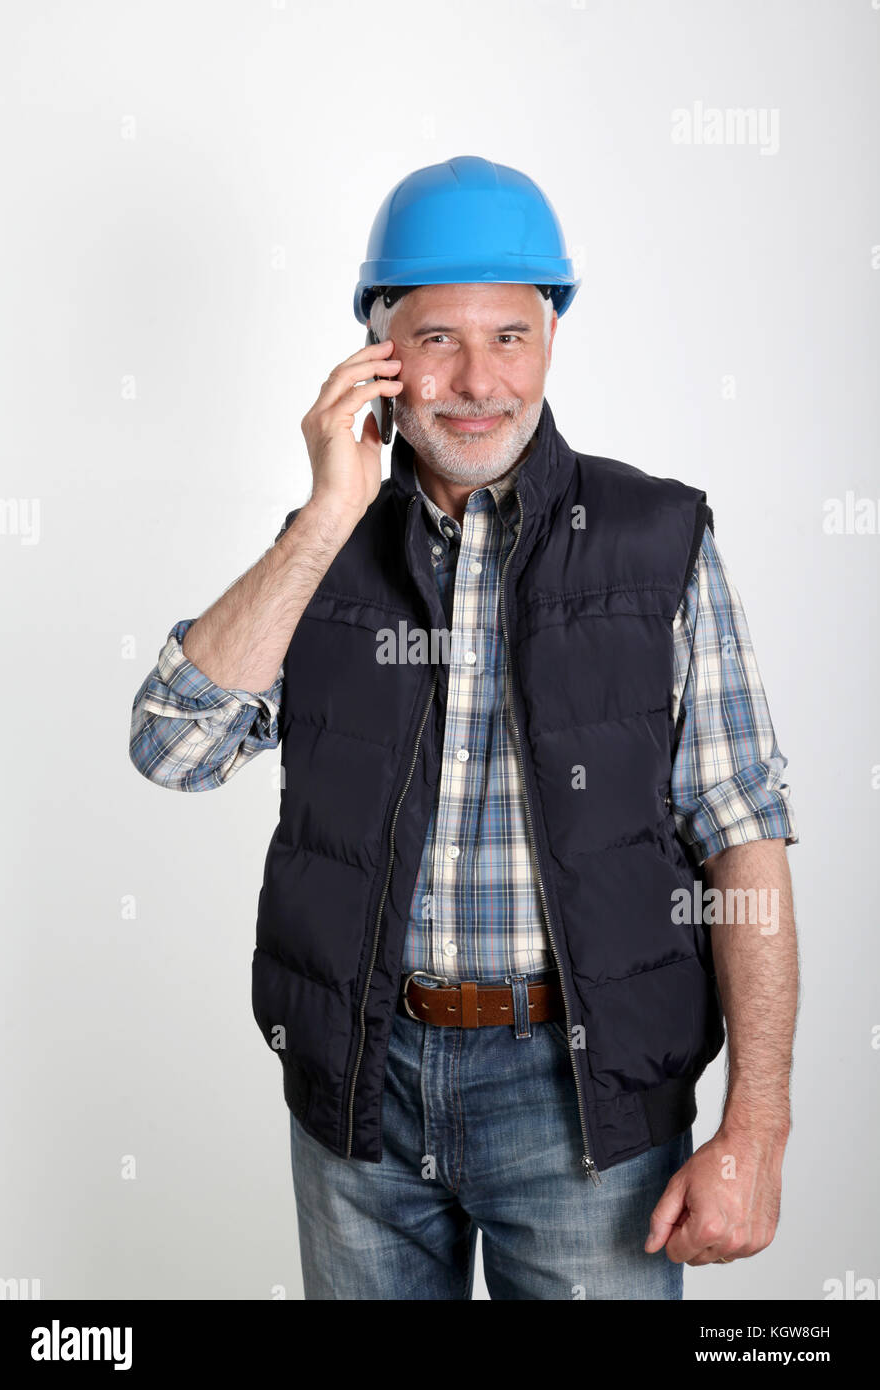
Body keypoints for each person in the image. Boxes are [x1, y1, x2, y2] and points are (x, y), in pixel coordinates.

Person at [129, 155, 799, 1300]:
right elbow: (174, 748)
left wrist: (757, 1128)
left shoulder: (659, 541)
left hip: (584, 1103)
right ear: (378, 351)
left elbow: (742, 838)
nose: (477, 379)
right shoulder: (320, 556)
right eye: (438, 337)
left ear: (551, 338)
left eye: (509, 335)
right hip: (361, 1093)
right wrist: (330, 509)